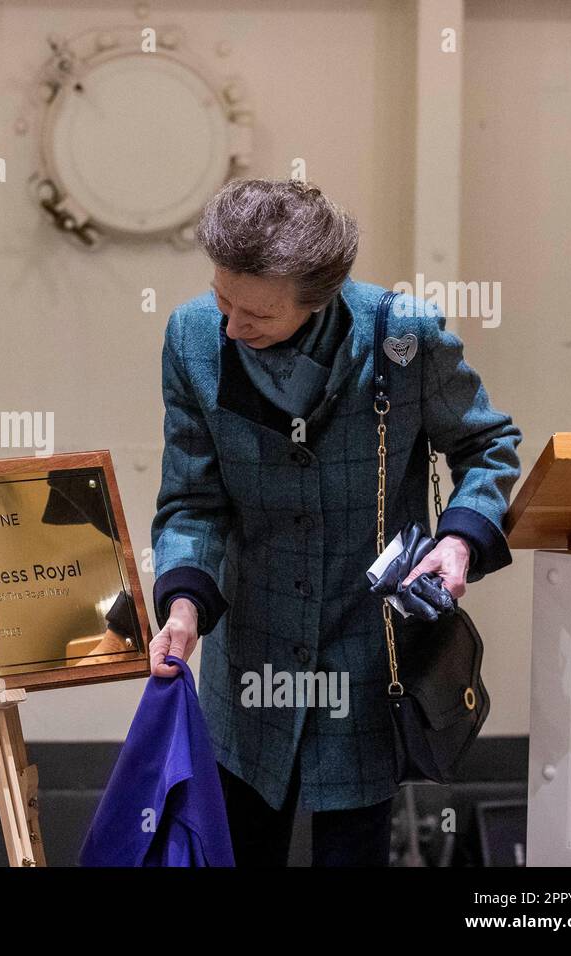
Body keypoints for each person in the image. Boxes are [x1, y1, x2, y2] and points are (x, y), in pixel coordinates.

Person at [148, 178, 522, 866]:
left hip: (368, 654)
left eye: (255, 313)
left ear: (318, 296)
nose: (232, 324)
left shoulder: (403, 336)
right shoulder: (193, 338)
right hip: (249, 660)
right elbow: (192, 500)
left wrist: (461, 542)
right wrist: (182, 602)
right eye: (222, 297)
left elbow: (486, 446)